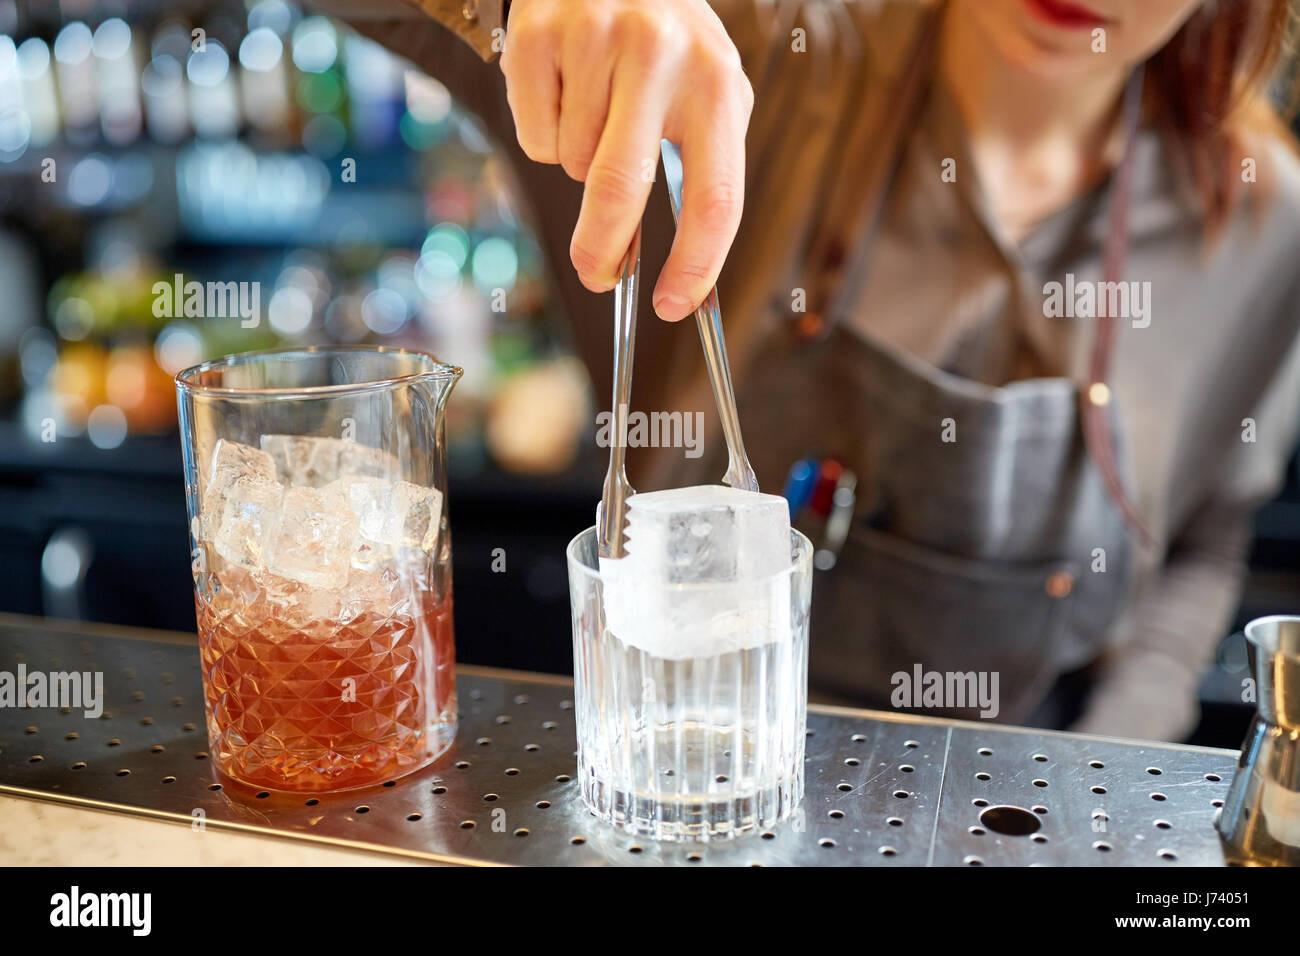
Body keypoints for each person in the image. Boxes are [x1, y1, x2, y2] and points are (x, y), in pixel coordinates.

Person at [315, 0, 1300, 741]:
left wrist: (1094, 790)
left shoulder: (1261, 224)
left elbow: (1203, 543)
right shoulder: (765, 47)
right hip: (681, 765)